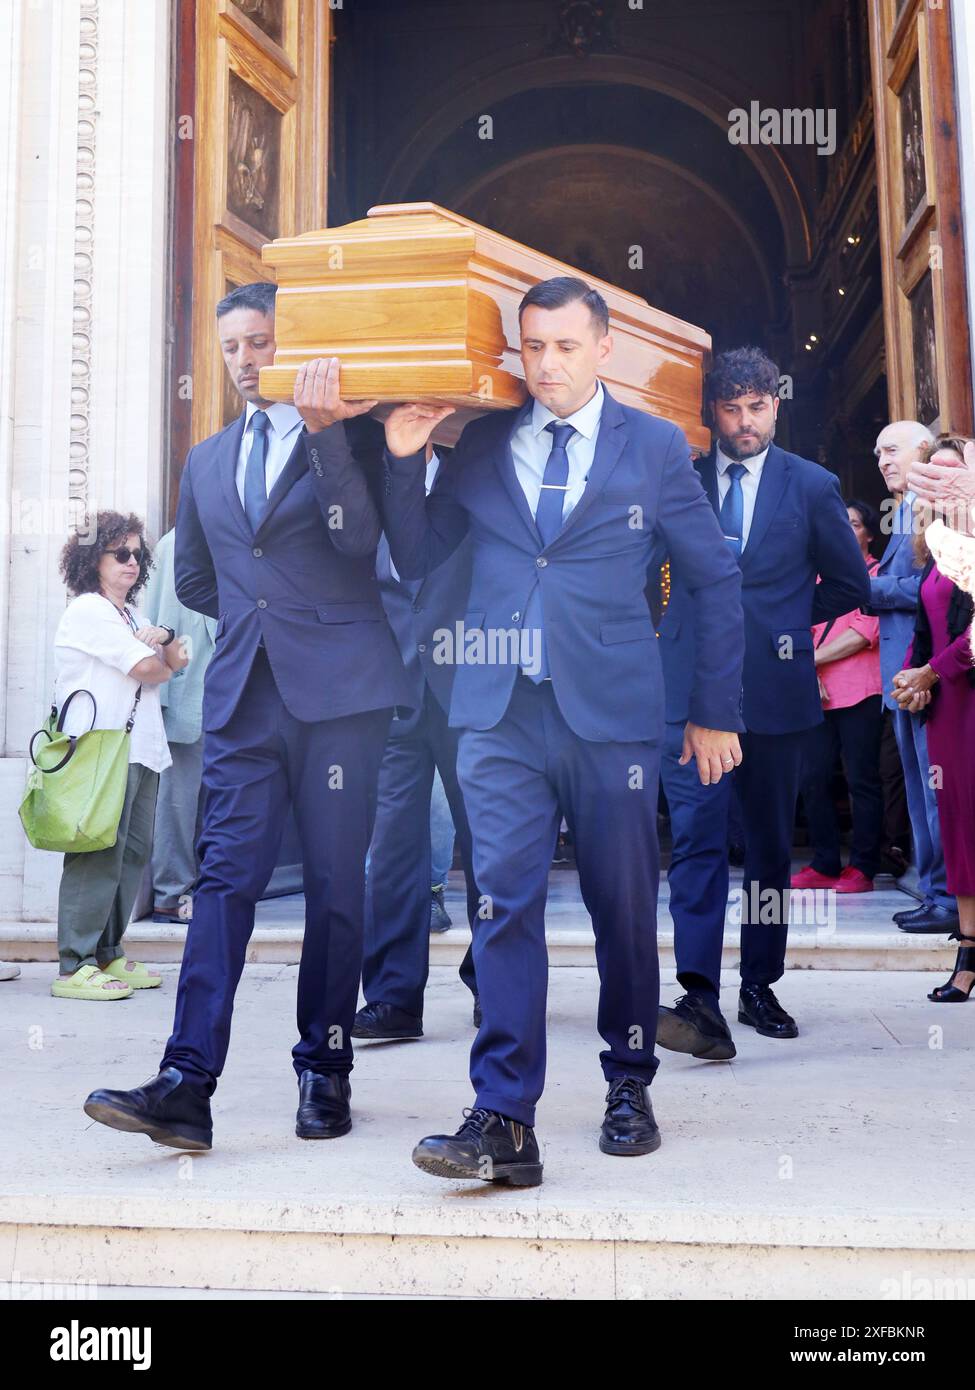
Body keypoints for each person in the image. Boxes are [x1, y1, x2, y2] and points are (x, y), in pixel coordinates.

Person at [381, 276, 745, 1185]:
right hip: (496, 712)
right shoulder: (481, 444)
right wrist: (399, 458)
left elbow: (714, 579)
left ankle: (629, 1080)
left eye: (565, 347)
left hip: (611, 718)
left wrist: (711, 712)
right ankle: (502, 1116)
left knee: (622, 909)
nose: (546, 364)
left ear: (603, 348)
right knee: (500, 904)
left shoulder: (657, 448)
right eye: (532, 346)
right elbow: (420, 554)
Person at [83, 282, 411, 1150]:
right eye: (232, 346)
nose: (246, 359)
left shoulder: (355, 437)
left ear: (292, 342)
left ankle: (325, 1069)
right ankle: (187, 1083)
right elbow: (193, 578)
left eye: (261, 341)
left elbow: (358, 542)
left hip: (343, 694)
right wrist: (254, 620)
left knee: (338, 890)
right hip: (243, 698)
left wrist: (325, 433)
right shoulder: (206, 458)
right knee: (222, 885)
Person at [656, 346, 870, 1057]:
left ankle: (758, 982)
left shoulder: (811, 485)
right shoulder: (678, 481)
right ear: (709, 411)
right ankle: (697, 992)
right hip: (688, 696)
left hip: (776, 699)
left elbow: (850, 587)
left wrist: (783, 622)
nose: (744, 423)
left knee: (771, 851)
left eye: (756, 407)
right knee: (694, 843)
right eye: (730, 408)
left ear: (775, 406)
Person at [354, 455, 479, 1041]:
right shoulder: (360, 480)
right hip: (393, 687)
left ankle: (495, 982)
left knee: (488, 845)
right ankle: (393, 999)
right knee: (393, 849)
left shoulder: (480, 468)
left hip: (474, 686)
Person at [51, 513, 188, 1000]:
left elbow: (174, 662)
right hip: (100, 747)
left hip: (140, 748)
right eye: (121, 554)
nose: (132, 563)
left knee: (130, 855)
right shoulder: (90, 610)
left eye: (137, 554)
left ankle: (108, 952)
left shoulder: (131, 614)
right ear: (94, 560)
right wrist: (160, 652)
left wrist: (165, 641)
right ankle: (74, 964)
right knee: (96, 854)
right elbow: (153, 670)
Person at [892, 435, 975, 1001]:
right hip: (947, 704)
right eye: (933, 474)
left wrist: (933, 672)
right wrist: (911, 678)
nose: (941, 483)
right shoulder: (931, 545)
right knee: (959, 825)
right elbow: (927, 623)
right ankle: (969, 953)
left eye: (954, 472)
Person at [870, 422, 958, 934]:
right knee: (917, 786)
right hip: (902, 678)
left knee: (933, 789)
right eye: (877, 452)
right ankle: (934, 890)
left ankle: (947, 896)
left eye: (891, 449)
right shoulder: (905, 509)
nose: (882, 460)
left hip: (926, 675)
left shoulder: (941, 511)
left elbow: (926, 587)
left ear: (925, 452)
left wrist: (863, 587)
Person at [792, 500, 885, 893]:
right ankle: (825, 862)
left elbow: (865, 633)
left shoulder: (878, 574)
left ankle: (863, 866)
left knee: (861, 780)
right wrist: (806, 669)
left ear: (868, 533)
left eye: (854, 523)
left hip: (860, 692)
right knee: (812, 778)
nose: (845, 529)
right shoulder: (816, 579)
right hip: (815, 693)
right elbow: (796, 629)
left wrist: (809, 662)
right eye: (839, 523)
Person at [140, 527, 217, 924]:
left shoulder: (226, 535)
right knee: (178, 801)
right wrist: (164, 699)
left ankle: (209, 887)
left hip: (226, 695)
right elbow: (163, 618)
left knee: (217, 801)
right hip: (189, 694)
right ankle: (171, 894)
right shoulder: (177, 545)